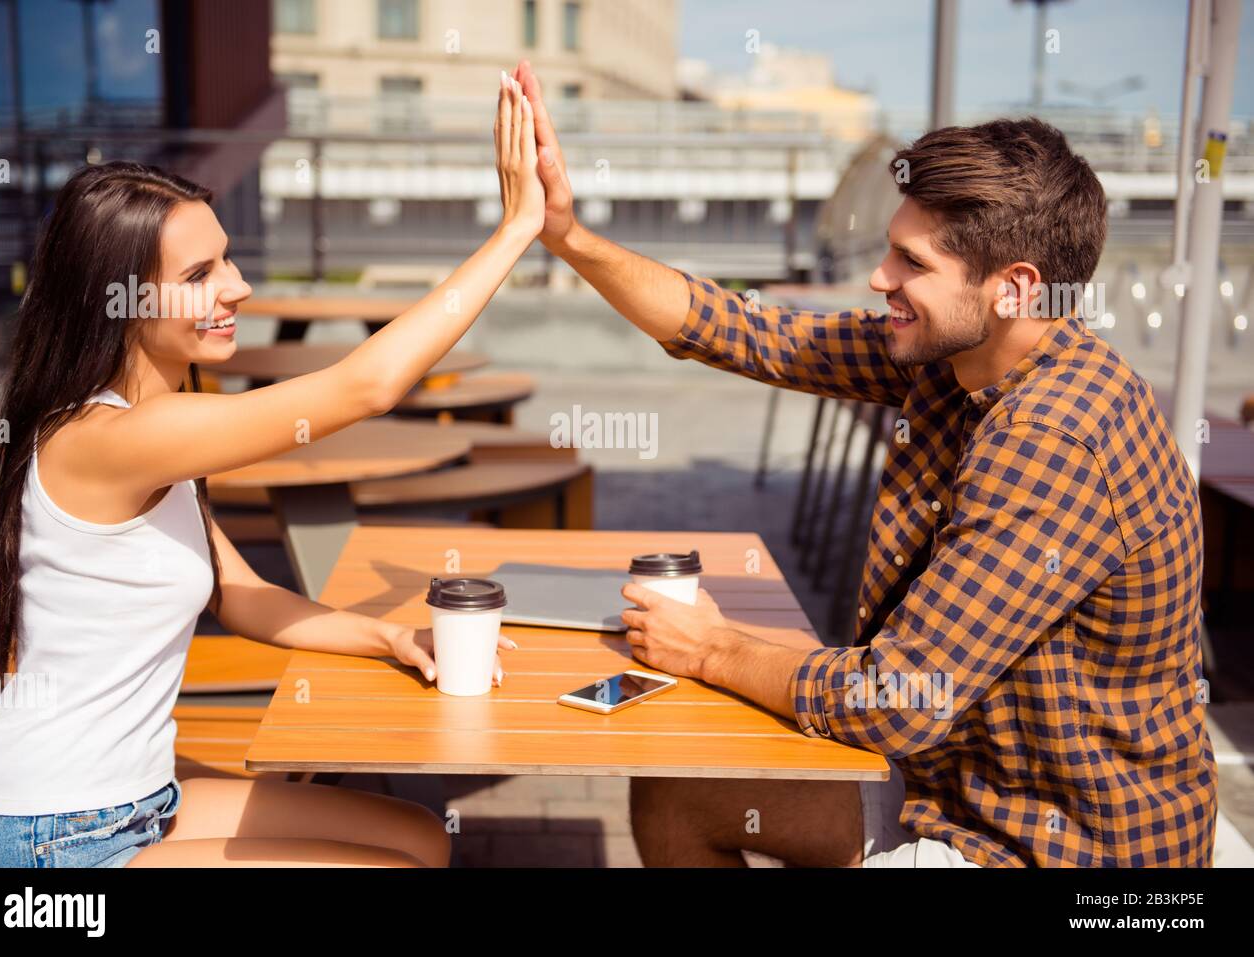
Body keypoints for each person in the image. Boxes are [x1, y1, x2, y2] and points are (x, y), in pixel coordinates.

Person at [510, 60, 1217, 868]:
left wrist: (710, 648)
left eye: (912, 263)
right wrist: (566, 235)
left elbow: (896, 699)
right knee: (679, 788)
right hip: (954, 784)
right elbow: (746, 330)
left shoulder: (1055, 437)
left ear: (1014, 289)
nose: (881, 278)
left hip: (1059, 852)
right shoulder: (959, 358)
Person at [0, 72, 542, 868]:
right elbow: (365, 385)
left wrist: (390, 636)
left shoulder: (164, 435)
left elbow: (242, 597)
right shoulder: (103, 436)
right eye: (199, 277)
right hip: (47, 834)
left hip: (139, 795)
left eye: (226, 260)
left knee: (419, 839)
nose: (238, 287)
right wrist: (514, 230)